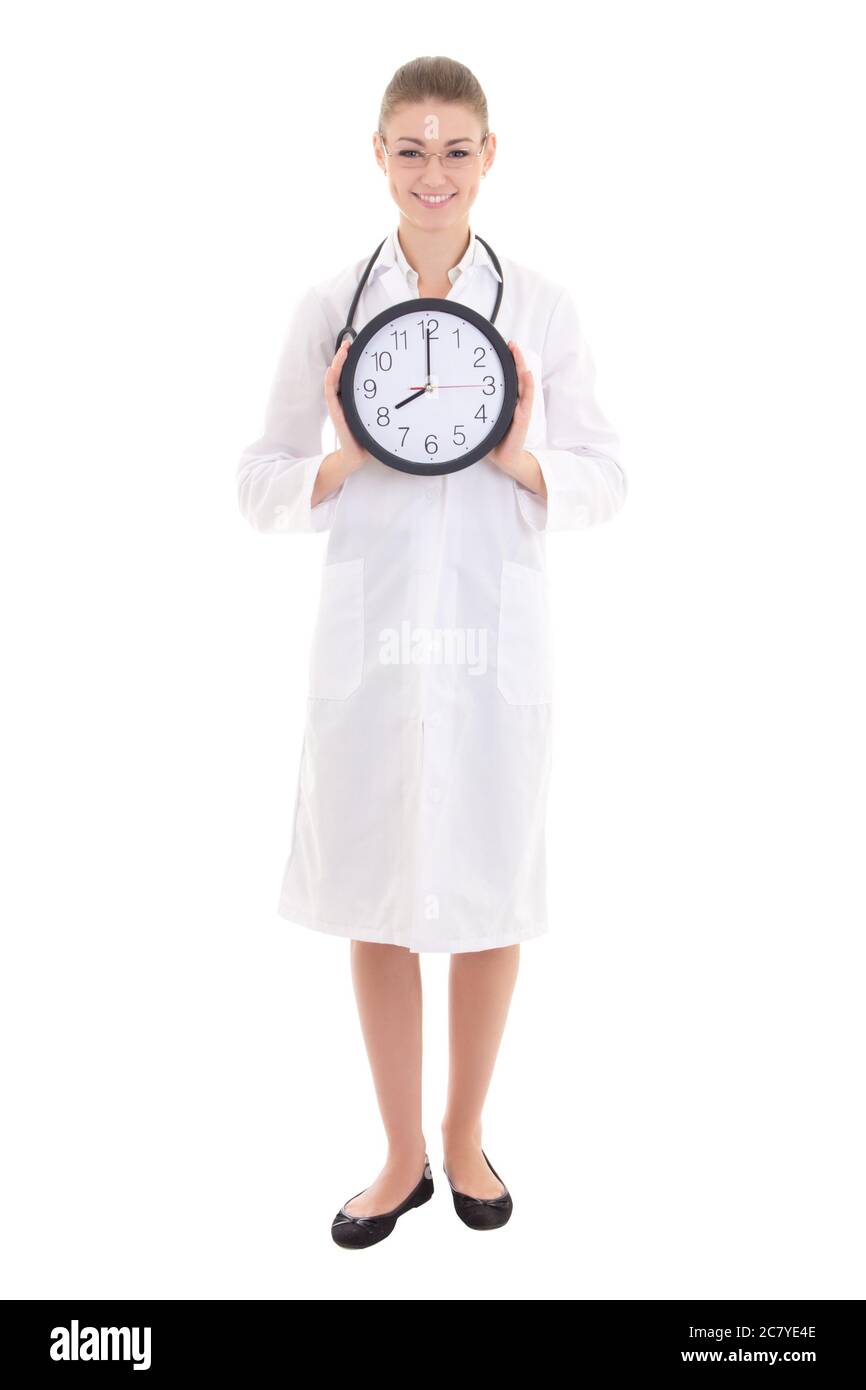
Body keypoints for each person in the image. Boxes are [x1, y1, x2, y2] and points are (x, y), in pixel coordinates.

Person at [236, 56, 627, 1248]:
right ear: (377, 157)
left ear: (489, 156)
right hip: (370, 650)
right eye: (410, 147)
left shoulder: (542, 304)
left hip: (491, 643)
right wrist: (344, 453)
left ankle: (464, 1139)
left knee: (490, 888)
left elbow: (609, 478)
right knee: (375, 894)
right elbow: (254, 485)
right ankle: (399, 1153)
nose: (433, 171)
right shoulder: (327, 303)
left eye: (455, 147)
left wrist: (519, 456)